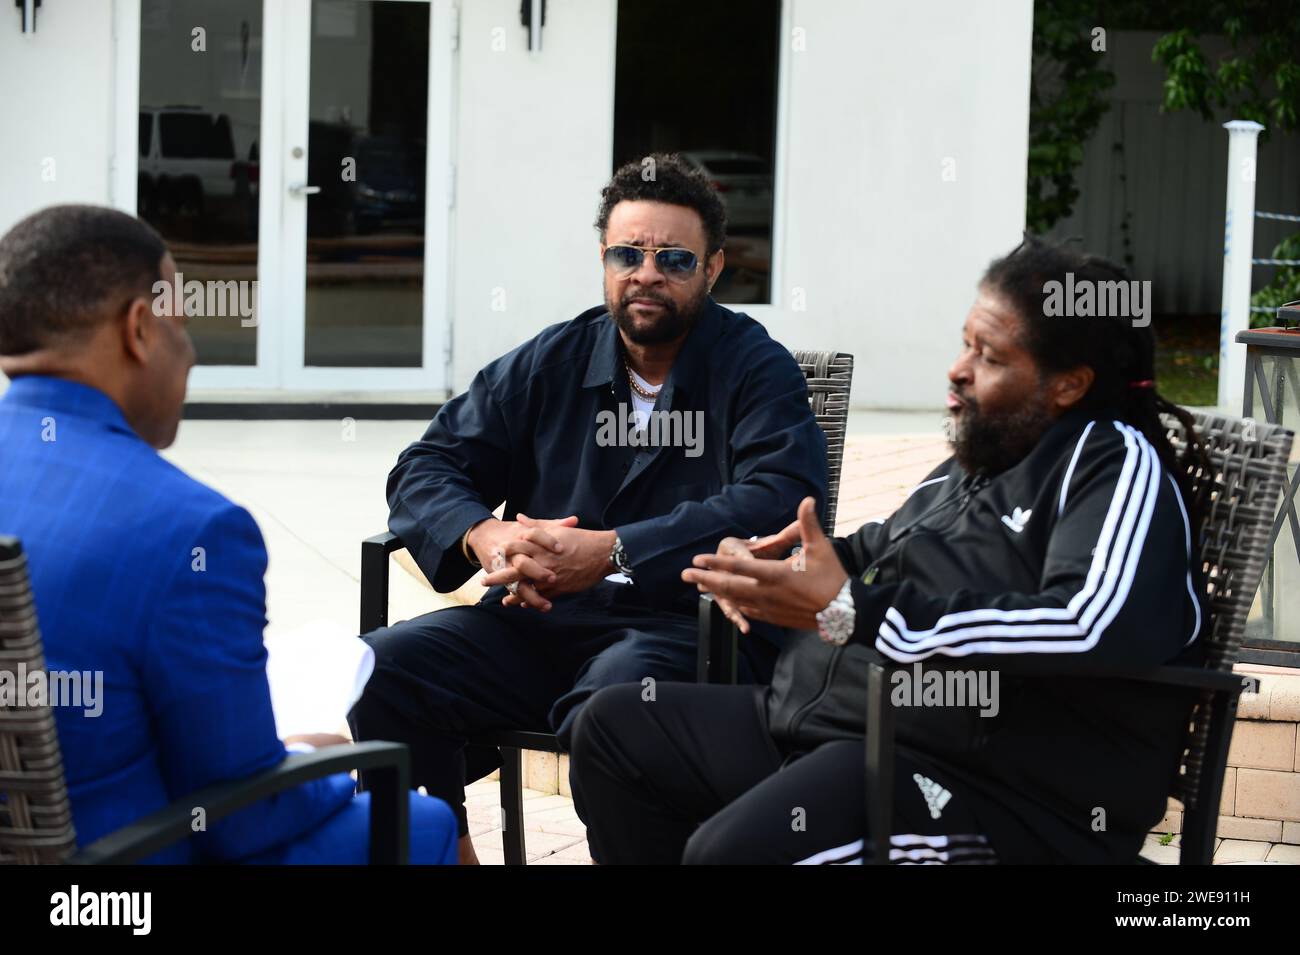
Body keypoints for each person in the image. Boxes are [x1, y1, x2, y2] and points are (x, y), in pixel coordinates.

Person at [569, 237, 1209, 865]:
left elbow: (1088, 623)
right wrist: (777, 569)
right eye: (965, 343)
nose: (959, 368)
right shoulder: (973, 463)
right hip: (841, 730)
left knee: (731, 852)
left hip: (999, 792)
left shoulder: (1111, 461)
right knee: (615, 730)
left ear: (1067, 385)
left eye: (988, 356)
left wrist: (858, 609)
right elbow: (877, 553)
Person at [349, 153, 827, 863]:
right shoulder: (555, 357)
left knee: (613, 707)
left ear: (715, 268)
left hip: (685, 633)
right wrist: (486, 536)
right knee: (382, 668)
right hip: (539, 627)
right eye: (627, 253)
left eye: (674, 258)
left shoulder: (755, 367)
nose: (647, 272)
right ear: (604, 259)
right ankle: (444, 855)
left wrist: (611, 550)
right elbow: (428, 464)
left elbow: (775, 499)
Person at [0, 204, 456, 864]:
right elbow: (243, 814)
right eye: (181, 322)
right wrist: (316, 757)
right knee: (419, 820)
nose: (190, 352)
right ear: (138, 329)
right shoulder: (186, 528)